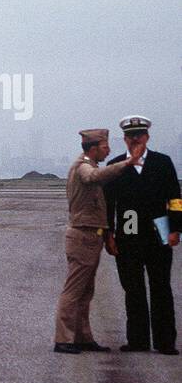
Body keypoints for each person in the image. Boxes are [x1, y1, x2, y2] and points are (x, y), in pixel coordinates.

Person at [53, 128, 140, 354]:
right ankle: (63, 339)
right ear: (93, 149)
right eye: (104, 147)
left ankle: (82, 337)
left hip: (90, 235)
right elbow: (93, 177)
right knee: (73, 291)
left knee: (85, 292)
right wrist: (127, 163)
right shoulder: (83, 166)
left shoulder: (90, 165)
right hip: (83, 235)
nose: (108, 150)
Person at [104, 116, 181, 355]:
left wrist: (176, 229)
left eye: (139, 135)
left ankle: (165, 341)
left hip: (159, 233)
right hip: (128, 235)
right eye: (130, 136)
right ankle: (137, 340)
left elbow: (175, 200)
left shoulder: (162, 162)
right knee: (133, 289)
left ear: (147, 137)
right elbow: (109, 204)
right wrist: (108, 235)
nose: (135, 139)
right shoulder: (115, 165)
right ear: (124, 139)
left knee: (161, 288)